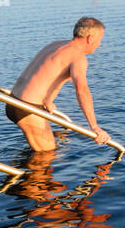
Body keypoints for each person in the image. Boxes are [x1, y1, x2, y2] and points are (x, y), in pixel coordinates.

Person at [7, 16, 111, 152]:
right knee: (47, 155)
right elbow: (82, 91)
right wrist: (94, 127)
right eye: (100, 39)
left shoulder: (57, 45)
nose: (100, 44)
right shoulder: (78, 57)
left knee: (47, 151)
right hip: (27, 108)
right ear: (90, 38)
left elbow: (53, 77)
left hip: (14, 100)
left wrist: (48, 100)